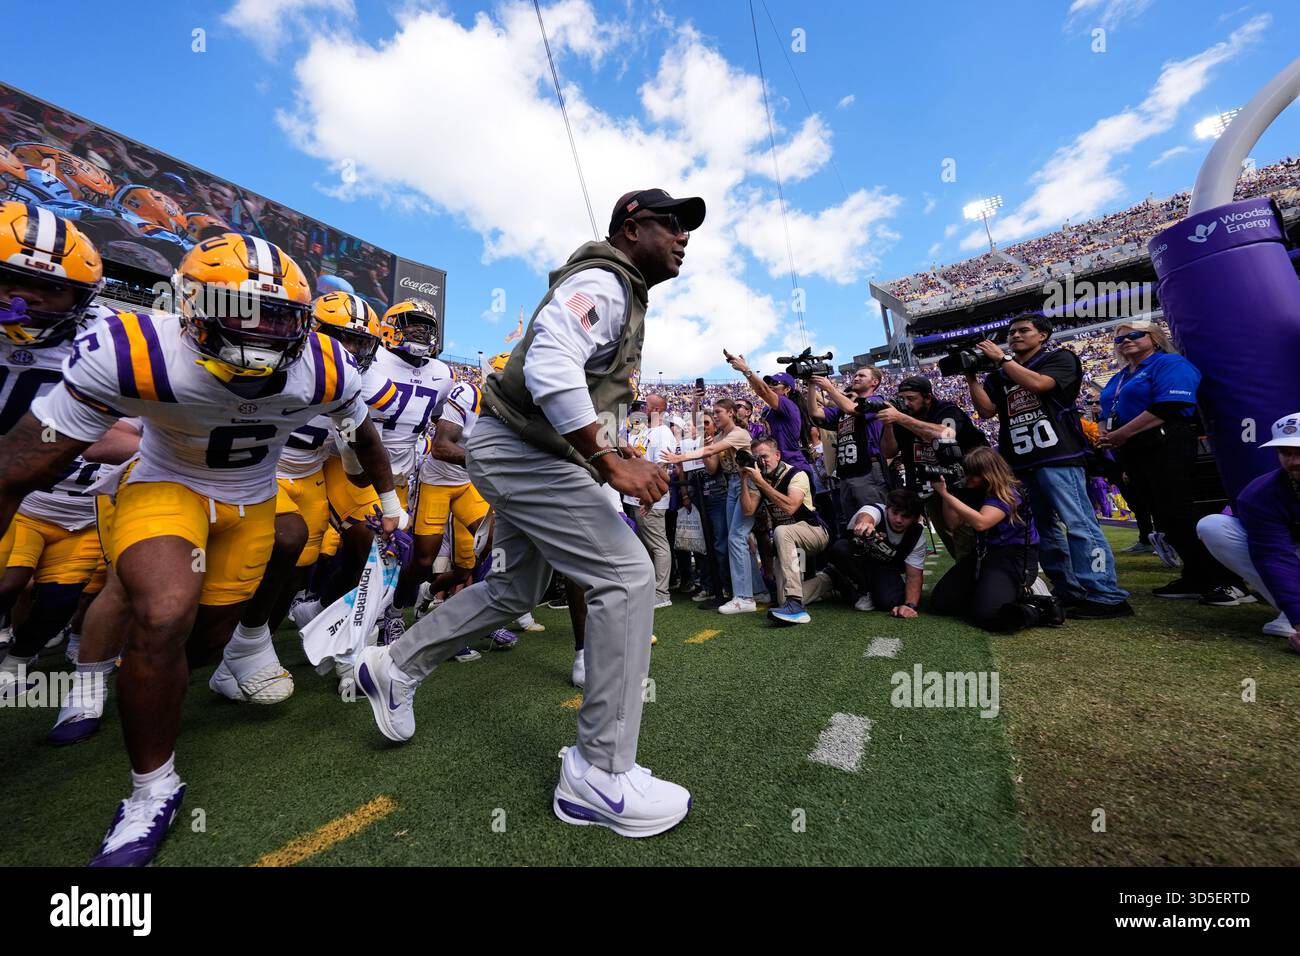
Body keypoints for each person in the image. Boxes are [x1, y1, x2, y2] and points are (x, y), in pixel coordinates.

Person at [0, 229, 402, 867]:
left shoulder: (324, 366)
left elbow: (367, 439)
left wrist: (390, 503)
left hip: (250, 502)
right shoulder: (134, 350)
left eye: (280, 318)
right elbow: (22, 462)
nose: (261, 333)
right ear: (192, 307)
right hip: (168, 485)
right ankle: (151, 787)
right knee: (162, 612)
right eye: (244, 313)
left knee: (200, 639)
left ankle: (207, 667)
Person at [353, 187, 705, 839]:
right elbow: (547, 362)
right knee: (627, 576)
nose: (684, 236)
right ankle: (599, 775)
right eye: (672, 223)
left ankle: (394, 665)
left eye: (689, 227)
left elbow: (571, 385)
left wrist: (610, 447)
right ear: (632, 228)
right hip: (521, 450)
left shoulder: (619, 288)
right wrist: (608, 461)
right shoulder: (605, 279)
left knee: (516, 588)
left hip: (523, 448)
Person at [964, 314, 1131, 619]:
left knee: (1079, 524)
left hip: (1058, 456)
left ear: (1042, 335)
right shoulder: (999, 375)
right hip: (1020, 460)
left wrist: (1002, 359)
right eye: (1011, 331)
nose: (1014, 335)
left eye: (1023, 330)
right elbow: (986, 411)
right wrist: (972, 378)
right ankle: (1070, 590)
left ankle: (1106, 595)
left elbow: (1040, 385)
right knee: (1042, 529)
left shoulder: (1059, 358)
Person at [1098, 319, 1248, 606]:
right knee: (1162, 514)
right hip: (1132, 447)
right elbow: (1108, 409)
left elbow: (1170, 406)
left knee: (1179, 510)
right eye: (1120, 340)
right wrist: (1107, 432)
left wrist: (1122, 433)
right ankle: (1196, 574)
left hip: (1165, 441)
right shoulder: (1120, 377)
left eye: (1135, 336)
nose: (1126, 342)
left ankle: (1226, 580)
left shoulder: (1169, 364)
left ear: (1154, 338)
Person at [1197, 413, 1300, 649]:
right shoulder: (1260, 493)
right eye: (1286, 452)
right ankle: (1291, 613)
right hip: (1290, 552)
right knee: (1213, 526)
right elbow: (1274, 555)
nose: (1294, 461)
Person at [929, 448, 1054, 632]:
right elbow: (952, 524)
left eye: (973, 474)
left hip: (1012, 558)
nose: (968, 478)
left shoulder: (1008, 492)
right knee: (941, 602)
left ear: (988, 473)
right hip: (984, 555)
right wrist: (951, 493)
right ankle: (993, 592)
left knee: (988, 615)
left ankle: (1037, 607)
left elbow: (981, 523)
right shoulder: (975, 489)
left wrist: (945, 495)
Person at [876, 375, 988, 560]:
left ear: (928, 397)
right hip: (931, 484)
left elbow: (946, 433)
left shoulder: (947, 410)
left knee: (967, 534)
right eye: (902, 398)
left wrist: (902, 418)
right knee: (950, 535)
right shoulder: (902, 418)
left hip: (965, 483)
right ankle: (966, 575)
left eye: (911, 398)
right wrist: (889, 426)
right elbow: (888, 452)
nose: (905, 403)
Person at [662, 397, 754, 613]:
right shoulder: (720, 435)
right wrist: (696, 403)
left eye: (718, 412)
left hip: (745, 483)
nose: (715, 417)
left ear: (731, 413)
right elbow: (711, 463)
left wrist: (680, 457)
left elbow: (709, 453)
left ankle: (744, 596)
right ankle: (754, 591)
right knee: (735, 540)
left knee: (736, 538)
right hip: (734, 485)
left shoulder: (738, 434)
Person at [740, 438, 829, 626]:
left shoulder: (797, 474)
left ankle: (796, 605)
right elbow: (748, 510)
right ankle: (828, 580)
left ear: (777, 455)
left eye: (764, 456)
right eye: (757, 458)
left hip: (813, 533)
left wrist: (761, 484)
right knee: (782, 597)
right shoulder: (761, 479)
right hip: (793, 548)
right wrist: (744, 479)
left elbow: (790, 507)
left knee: (781, 531)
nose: (761, 462)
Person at [808, 488, 926, 616]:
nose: (898, 519)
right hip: (859, 561)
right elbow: (867, 515)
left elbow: (914, 576)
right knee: (840, 548)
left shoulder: (916, 536)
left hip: (885, 569)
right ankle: (859, 587)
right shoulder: (876, 510)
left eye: (905, 516)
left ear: (914, 519)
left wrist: (910, 605)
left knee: (888, 602)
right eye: (895, 512)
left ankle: (841, 583)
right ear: (887, 508)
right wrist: (865, 524)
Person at [806, 367, 890, 526]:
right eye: (856, 375)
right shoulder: (841, 411)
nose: (856, 378)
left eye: (862, 375)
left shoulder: (877, 400)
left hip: (868, 469)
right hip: (846, 471)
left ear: (875, 382)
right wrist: (811, 385)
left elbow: (853, 409)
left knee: (872, 519)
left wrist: (829, 388)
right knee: (851, 523)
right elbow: (815, 412)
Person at [723, 353, 809, 475]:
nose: (770, 386)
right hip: (777, 468)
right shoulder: (768, 411)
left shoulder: (788, 405)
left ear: (787, 389)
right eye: (769, 383)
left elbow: (762, 391)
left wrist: (745, 369)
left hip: (793, 468)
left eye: (775, 383)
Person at [629, 393, 675, 609]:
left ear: (656, 410)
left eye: (645, 405)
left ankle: (661, 593)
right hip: (637, 497)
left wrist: (650, 498)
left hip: (650, 499)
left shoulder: (663, 432)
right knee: (647, 545)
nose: (641, 408)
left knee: (657, 545)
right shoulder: (645, 430)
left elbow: (661, 468)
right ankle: (651, 590)